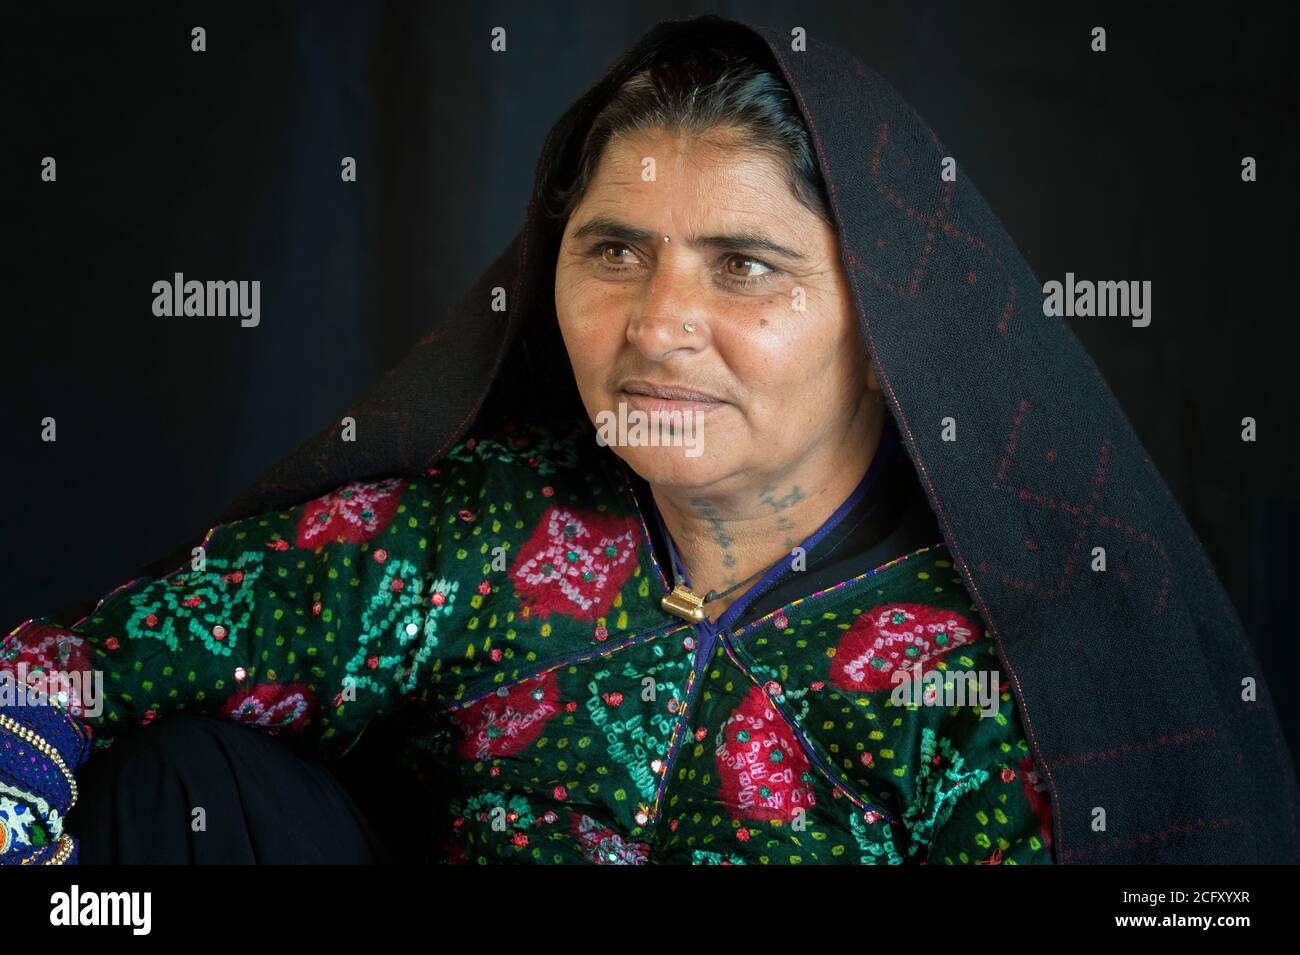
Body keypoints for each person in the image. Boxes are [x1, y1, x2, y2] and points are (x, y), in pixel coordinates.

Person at [2, 14, 1295, 866]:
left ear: (889, 319)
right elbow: (76, 663)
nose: (658, 325)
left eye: (745, 266)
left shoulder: (997, 689)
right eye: (614, 252)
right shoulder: (481, 533)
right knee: (183, 797)